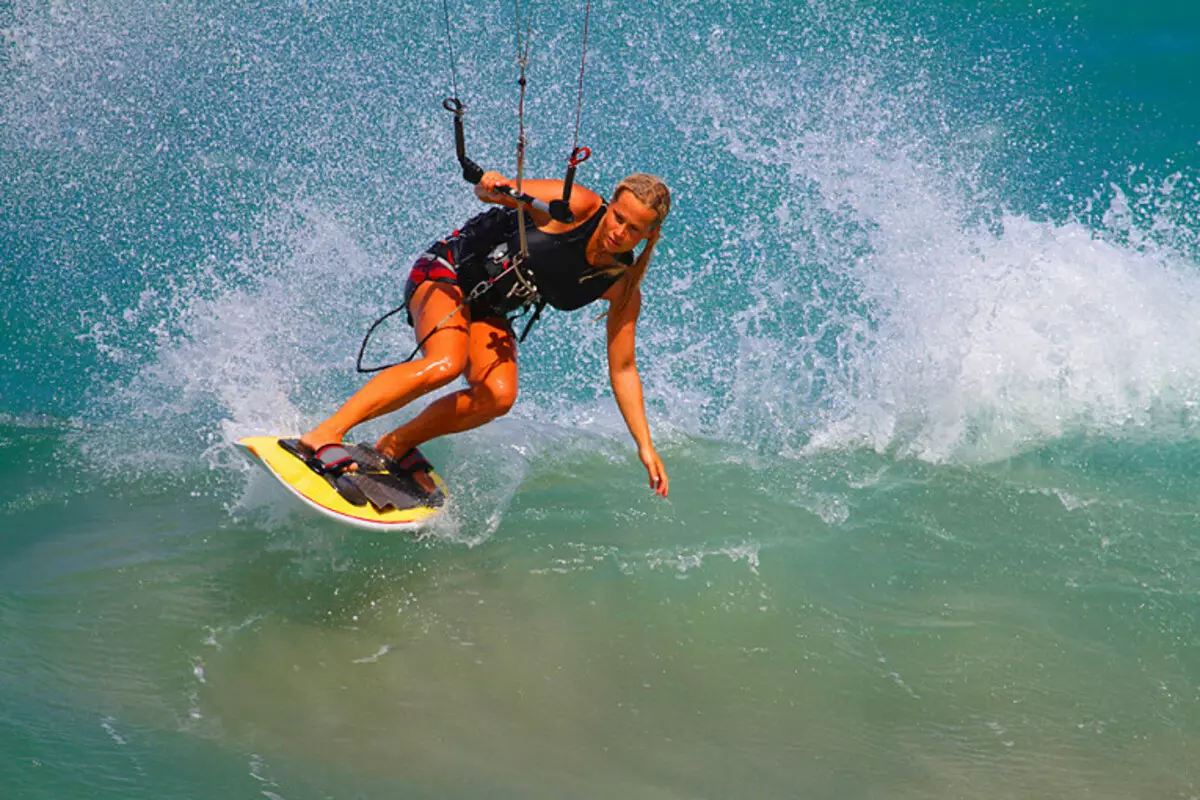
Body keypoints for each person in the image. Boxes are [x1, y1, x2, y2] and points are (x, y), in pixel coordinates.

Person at [298, 171, 671, 498]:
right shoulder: (576, 205)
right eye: (618, 218)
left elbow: (623, 369)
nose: (619, 232)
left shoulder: (621, 285)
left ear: (650, 233)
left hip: (488, 308)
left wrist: (645, 446)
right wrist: (494, 185)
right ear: (610, 206)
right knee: (446, 363)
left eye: (634, 229)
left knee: (498, 396)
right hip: (447, 270)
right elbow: (494, 192)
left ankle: (395, 446)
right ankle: (326, 433)